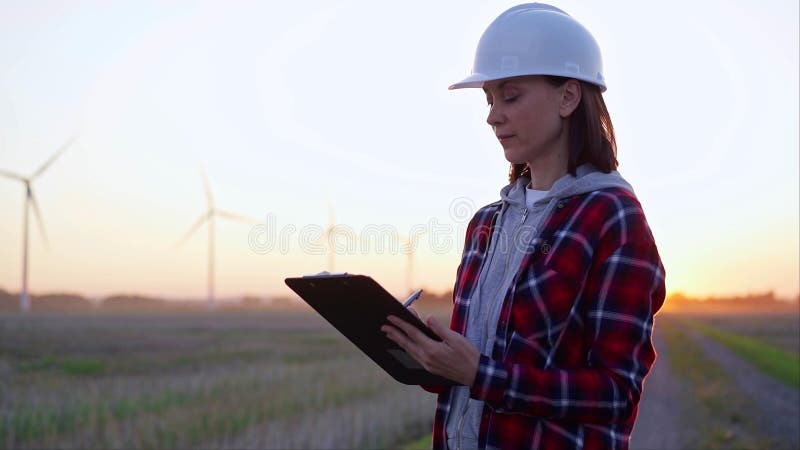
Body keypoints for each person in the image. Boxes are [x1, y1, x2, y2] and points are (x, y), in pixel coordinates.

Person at [381, 3, 666, 450]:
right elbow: (468, 375)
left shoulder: (614, 219)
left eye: (510, 96)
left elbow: (615, 393)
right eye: (489, 99)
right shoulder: (485, 225)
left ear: (568, 97)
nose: (493, 115)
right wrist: (429, 357)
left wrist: (480, 374)